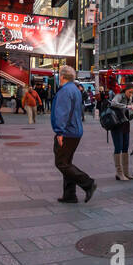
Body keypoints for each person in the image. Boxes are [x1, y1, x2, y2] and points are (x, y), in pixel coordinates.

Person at [51, 68, 96, 203]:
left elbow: (62, 112)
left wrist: (59, 132)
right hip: (75, 131)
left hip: (67, 132)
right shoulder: (75, 89)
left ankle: (88, 183)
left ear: (63, 77)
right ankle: (70, 195)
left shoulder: (65, 91)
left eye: (59, 76)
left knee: (61, 163)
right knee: (67, 163)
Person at [109, 85, 133, 181]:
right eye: (129, 92)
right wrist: (126, 106)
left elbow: (127, 117)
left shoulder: (129, 99)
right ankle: (119, 173)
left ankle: (126, 172)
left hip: (125, 125)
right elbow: (113, 103)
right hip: (117, 126)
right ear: (125, 90)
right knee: (118, 148)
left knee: (125, 148)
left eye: (132, 93)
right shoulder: (120, 96)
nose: (131, 94)